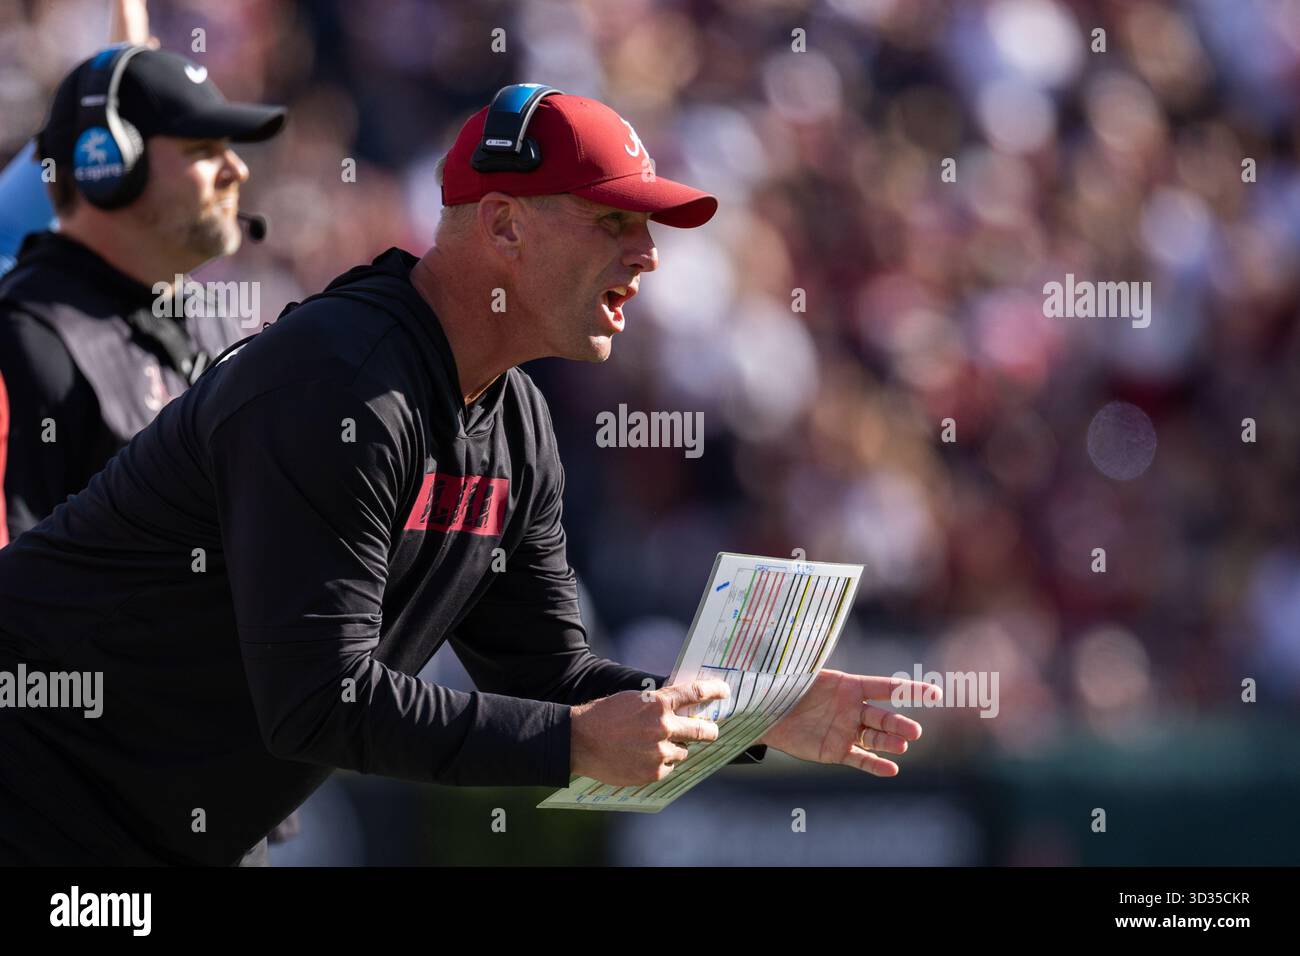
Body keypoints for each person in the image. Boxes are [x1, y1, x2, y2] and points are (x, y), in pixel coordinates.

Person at [0, 86, 935, 866]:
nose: (647, 255)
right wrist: (572, 746)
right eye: (614, 220)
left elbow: (548, 674)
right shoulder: (343, 380)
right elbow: (317, 702)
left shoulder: (516, 419)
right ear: (502, 224)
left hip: (155, 830)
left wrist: (763, 717)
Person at [0, 44, 285, 541]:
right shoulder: (28, 337)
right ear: (110, 168)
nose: (237, 170)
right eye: (203, 150)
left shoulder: (212, 317)